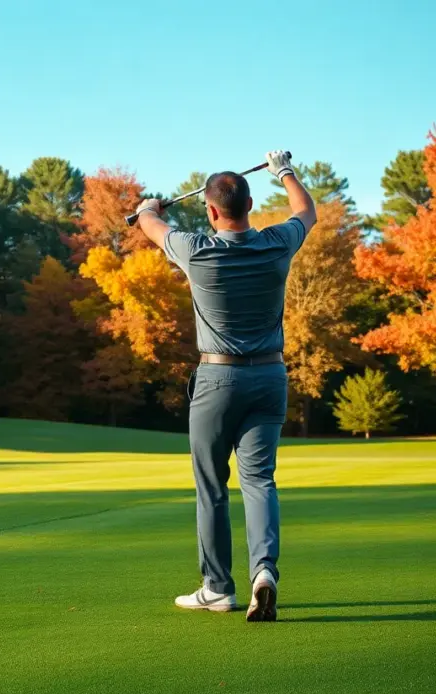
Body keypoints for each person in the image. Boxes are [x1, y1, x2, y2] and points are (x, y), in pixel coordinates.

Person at [134, 151, 316, 622]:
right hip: (270, 376)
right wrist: (284, 171)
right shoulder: (277, 244)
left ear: (211, 211)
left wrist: (150, 207)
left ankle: (217, 588)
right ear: (251, 204)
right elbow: (306, 211)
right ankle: (264, 572)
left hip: (217, 378)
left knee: (212, 485)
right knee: (260, 481)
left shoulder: (196, 250)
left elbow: (149, 223)